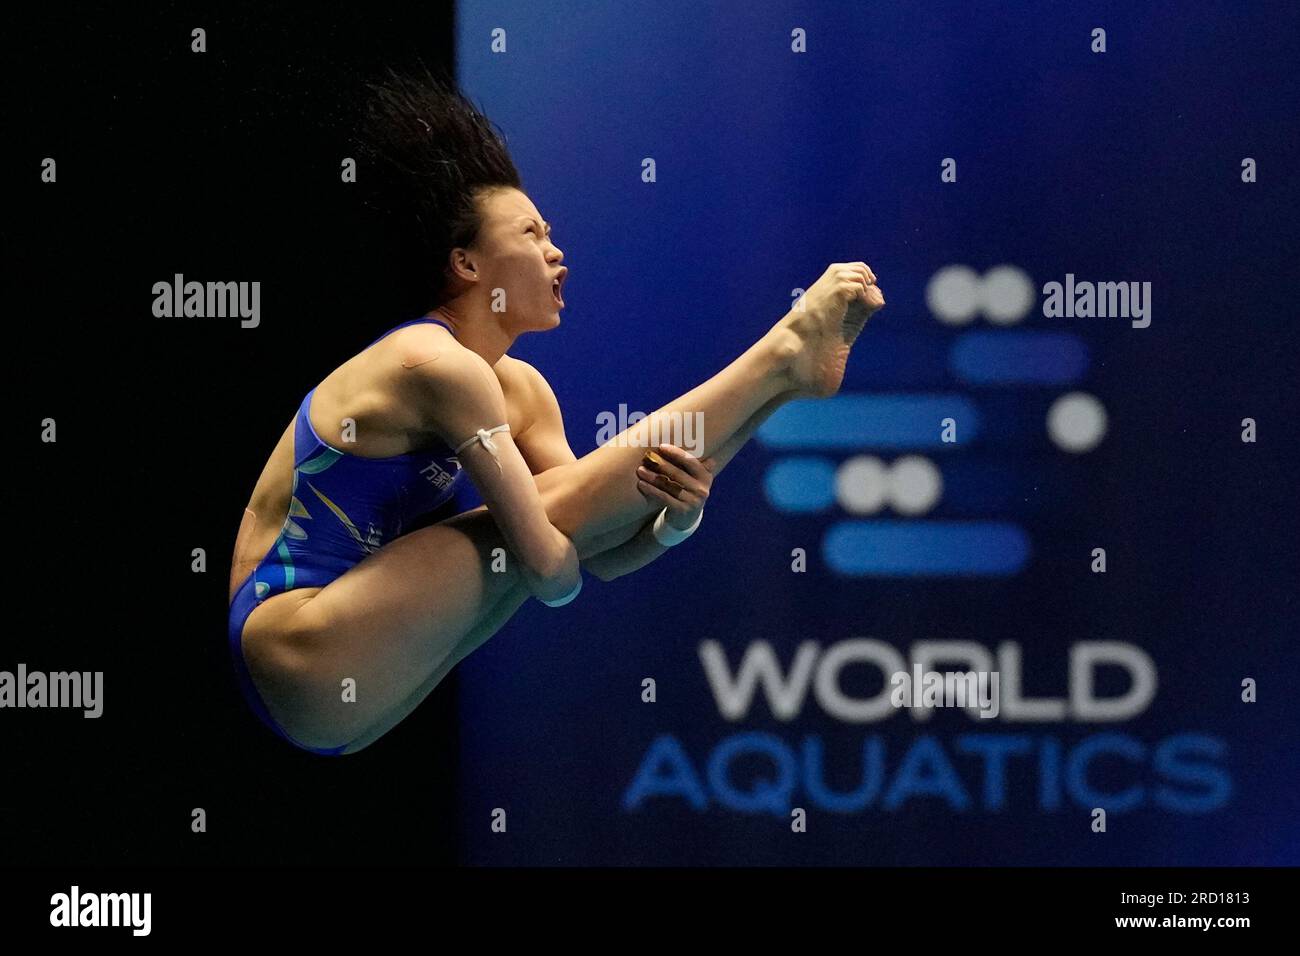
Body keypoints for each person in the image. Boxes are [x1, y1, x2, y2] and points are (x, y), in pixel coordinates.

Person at [227, 66, 886, 756]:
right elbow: (551, 571)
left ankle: (785, 381)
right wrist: (575, 541)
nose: (556, 250)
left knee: (554, 510)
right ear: (468, 265)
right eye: (532, 234)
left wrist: (673, 519)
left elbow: (597, 554)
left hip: (359, 689)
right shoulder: (434, 364)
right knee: (533, 524)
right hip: (294, 642)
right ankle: (780, 356)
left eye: (551, 233)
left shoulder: (524, 392)